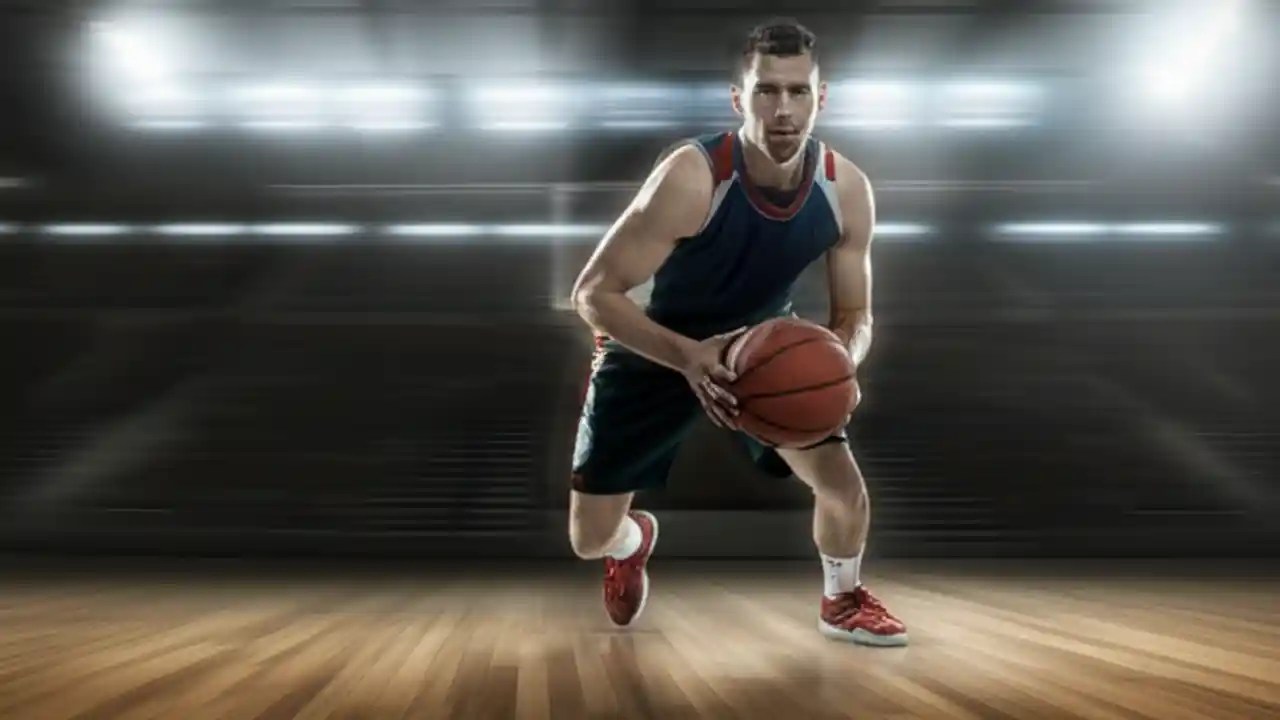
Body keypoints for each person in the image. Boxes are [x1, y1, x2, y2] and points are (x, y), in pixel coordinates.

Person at [567, 18, 907, 646]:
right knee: (588, 540)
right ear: (738, 99)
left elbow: (855, 313)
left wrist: (845, 360)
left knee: (843, 486)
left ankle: (843, 599)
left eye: (798, 92)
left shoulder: (846, 189)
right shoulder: (695, 176)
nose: (784, 109)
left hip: (759, 349)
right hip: (655, 345)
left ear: (821, 97)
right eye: (766, 91)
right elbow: (592, 293)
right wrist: (690, 357)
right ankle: (633, 539)